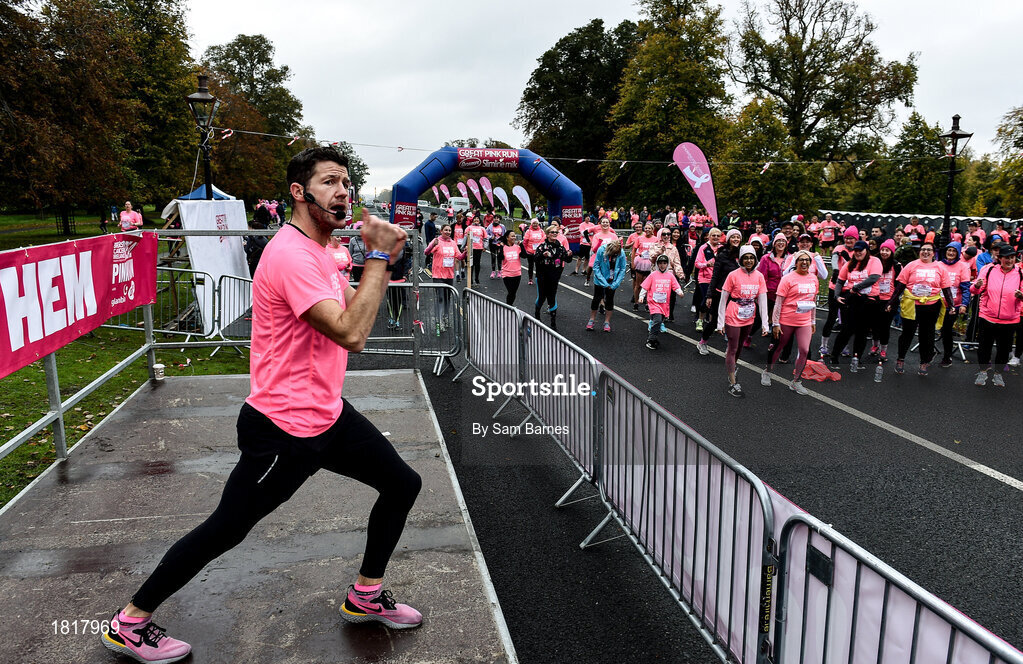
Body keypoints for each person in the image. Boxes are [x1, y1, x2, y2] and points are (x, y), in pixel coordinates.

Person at [101, 148, 421, 664]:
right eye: (330, 182)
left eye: (347, 182)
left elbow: (347, 308)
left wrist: (375, 258)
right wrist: (380, 258)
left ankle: (364, 594)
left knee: (403, 483)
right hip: (281, 428)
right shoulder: (291, 255)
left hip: (328, 415)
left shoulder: (319, 251)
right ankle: (130, 622)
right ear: (299, 193)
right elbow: (352, 333)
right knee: (228, 526)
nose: (344, 192)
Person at [890, 242, 954, 376]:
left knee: (927, 335)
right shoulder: (911, 265)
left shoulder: (940, 268)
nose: (925, 252)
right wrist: (891, 302)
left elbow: (946, 288)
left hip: (931, 305)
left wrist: (951, 305)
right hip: (912, 305)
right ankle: (900, 359)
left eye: (929, 250)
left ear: (933, 253)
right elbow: (900, 286)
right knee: (907, 333)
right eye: (923, 249)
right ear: (919, 252)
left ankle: (924, 362)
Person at [762, 250, 819, 396]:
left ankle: (796, 381)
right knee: (778, 346)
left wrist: (812, 321)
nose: (805, 262)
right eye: (801, 260)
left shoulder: (813, 278)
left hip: (804, 321)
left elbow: (813, 301)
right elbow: (778, 303)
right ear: (796, 262)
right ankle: (768, 371)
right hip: (786, 319)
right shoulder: (788, 278)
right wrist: (775, 323)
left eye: (807, 260)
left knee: (804, 350)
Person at [716, 246, 769, 397]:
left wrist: (765, 324)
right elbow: (723, 299)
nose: (749, 260)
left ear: (755, 259)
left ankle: (731, 366)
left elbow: (763, 300)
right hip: (733, 314)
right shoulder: (733, 275)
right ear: (740, 259)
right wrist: (720, 323)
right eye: (745, 257)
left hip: (749, 316)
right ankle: (733, 383)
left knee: (739, 347)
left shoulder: (759, 276)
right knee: (732, 347)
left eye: (751, 257)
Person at [971, 244, 1023, 386]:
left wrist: (1021, 296)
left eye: (1012, 257)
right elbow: (975, 290)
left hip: (1010, 319)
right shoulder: (988, 269)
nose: (1009, 260)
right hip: (988, 316)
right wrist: (976, 286)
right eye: (1006, 257)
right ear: (1000, 258)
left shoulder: (1020, 273)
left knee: (1004, 350)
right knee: (984, 347)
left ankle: (998, 374)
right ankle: (982, 372)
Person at [829, 241, 882, 372]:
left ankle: (857, 358)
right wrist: (837, 296)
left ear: (866, 250)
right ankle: (834, 356)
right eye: (856, 250)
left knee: (862, 332)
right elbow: (840, 281)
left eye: (861, 250)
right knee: (847, 330)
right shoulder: (849, 264)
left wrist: (856, 287)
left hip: (869, 301)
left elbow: (874, 278)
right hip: (853, 300)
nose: (858, 253)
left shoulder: (874, 261)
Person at [697, 229, 742, 355]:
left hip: (736, 294)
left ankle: (730, 347)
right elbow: (715, 276)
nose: (736, 239)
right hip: (720, 293)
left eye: (738, 237)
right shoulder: (723, 254)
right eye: (733, 237)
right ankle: (703, 342)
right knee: (716, 320)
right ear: (728, 239)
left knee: (733, 321)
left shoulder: (742, 254)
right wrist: (709, 295)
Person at [819, 226, 857, 358]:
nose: (848, 240)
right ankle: (824, 345)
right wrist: (835, 270)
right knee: (831, 317)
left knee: (846, 320)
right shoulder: (839, 248)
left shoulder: (858, 251)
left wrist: (847, 259)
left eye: (851, 238)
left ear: (856, 239)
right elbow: (835, 258)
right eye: (846, 238)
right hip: (834, 287)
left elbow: (857, 267)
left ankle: (843, 346)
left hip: (848, 289)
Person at [424, 224, 465, 335]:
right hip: (438, 275)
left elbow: (459, 257)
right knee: (440, 298)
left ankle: (446, 318)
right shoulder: (437, 241)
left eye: (449, 230)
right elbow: (426, 252)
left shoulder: (453, 243)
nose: (447, 232)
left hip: (449, 275)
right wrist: (432, 245)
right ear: (441, 231)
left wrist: (466, 252)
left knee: (447, 298)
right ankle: (439, 321)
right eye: (445, 230)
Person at [937, 242, 972, 367]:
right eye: (949, 250)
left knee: (946, 331)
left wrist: (964, 304)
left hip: (953, 305)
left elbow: (966, 288)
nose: (951, 253)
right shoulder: (938, 264)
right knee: (931, 329)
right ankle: (928, 353)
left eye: (954, 251)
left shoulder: (962, 266)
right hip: (936, 303)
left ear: (958, 253)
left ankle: (947, 356)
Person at [639, 254, 684, 350]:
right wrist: (641, 296)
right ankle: (651, 340)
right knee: (658, 320)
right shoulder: (653, 275)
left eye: (664, 263)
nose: (662, 265)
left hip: (664, 303)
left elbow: (675, 286)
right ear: (657, 264)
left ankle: (653, 334)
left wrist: (679, 292)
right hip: (654, 302)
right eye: (660, 263)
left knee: (659, 321)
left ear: (667, 264)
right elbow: (645, 286)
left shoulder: (670, 275)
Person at [533, 225, 573, 331]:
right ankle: (537, 314)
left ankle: (553, 322)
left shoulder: (560, 248)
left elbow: (567, 260)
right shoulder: (542, 246)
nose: (555, 234)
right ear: (547, 234)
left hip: (554, 278)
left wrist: (569, 255)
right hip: (542, 277)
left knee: (552, 298)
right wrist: (543, 255)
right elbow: (535, 259)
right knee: (542, 297)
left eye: (556, 232)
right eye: (552, 232)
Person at [869, 239, 902, 362]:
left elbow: (899, 285)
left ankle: (883, 349)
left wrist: (892, 302)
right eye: (882, 249)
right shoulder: (875, 262)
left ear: (892, 252)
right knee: (874, 325)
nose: (884, 252)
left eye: (887, 250)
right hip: (875, 298)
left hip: (889, 300)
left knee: (885, 326)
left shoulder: (896, 265)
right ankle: (875, 345)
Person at [587, 239, 627, 332]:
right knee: (596, 298)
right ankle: (592, 319)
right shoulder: (601, 250)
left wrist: (616, 283)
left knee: (609, 300)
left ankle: (607, 322)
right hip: (600, 280)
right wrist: (603, 282)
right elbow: (596, 266)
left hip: (612, 281)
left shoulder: (621, 253)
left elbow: (622, 268)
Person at [694, 228, 723, 331]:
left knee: (715, 301)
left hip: (717, 279)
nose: (715, 237)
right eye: (713, 235)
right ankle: (700, 319)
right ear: (709, 237)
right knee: (707, 299)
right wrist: (707, 264)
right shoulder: (703, 247)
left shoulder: (722, 248)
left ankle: (712, 321)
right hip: (704, 278)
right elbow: (697, 263)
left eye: (717, 236)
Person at [630, 223, 658, 311]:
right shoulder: (640, 238)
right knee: (638, 284)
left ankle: (647, 303)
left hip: (651, 263)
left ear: (652, 229)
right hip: (641, 262)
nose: (647, 230)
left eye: (649, 228)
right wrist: (632, 263)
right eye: (646, 228)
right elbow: (634, 250)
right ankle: (636, 302)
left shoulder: (656, 239)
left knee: (649, 285)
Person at [501, 232, 523, 305]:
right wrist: (501, 248)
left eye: (515, 236)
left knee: (513, 292)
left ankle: (509, 306)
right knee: (511, 292)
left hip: (517, 273)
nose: (514, 238)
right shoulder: (503, 247)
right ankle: (509, 306)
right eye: (512, 236)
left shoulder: (517, 247)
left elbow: (525, 256)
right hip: (507, 274)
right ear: (507, 238)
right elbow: (500, 258)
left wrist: (522, 245)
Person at [522, 219, 546, 286]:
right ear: (531, 224)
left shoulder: (541, 231)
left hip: (539, 252)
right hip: (530, 251)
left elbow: (544, 239)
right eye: (534, 223)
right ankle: (530, 279)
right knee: (531, 266)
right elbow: (525, 241)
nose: (535, 225)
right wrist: (526, 249)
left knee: (539, 266)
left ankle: (537, 278)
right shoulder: (528, 231)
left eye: (536, 223)